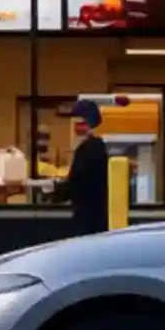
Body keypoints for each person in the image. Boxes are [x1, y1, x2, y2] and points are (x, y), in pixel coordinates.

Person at [66, 99, 110, 234]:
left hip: (88, 218)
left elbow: (78, 183)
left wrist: (55, 193)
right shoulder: (97, 147)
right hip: (98, 217)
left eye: (79, 123)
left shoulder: (88, 149)